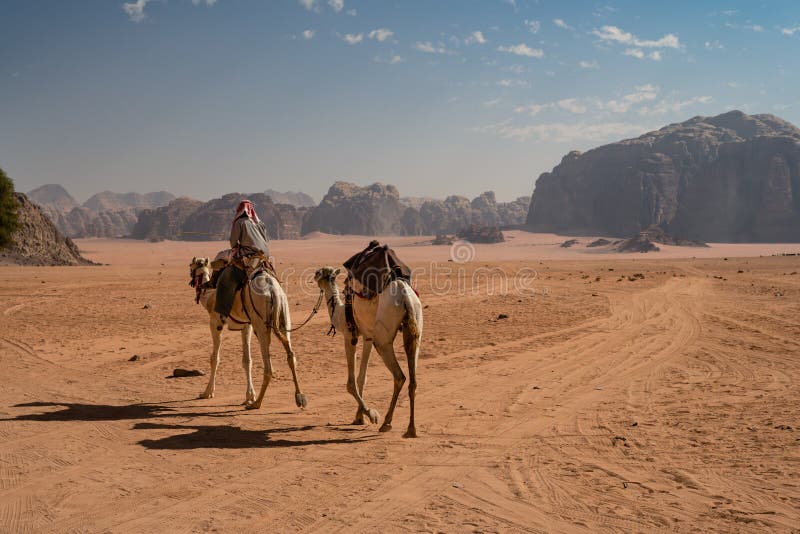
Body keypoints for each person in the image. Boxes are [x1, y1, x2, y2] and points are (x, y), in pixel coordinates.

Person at [214, 200, 271, 325]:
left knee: (226, 278)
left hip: (248, 256)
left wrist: (241, 243)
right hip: (264, 258)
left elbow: (233, 243)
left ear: (240, 210)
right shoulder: (260, 224)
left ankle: (222, 313)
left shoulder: (239, 222)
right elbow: (267, 240)